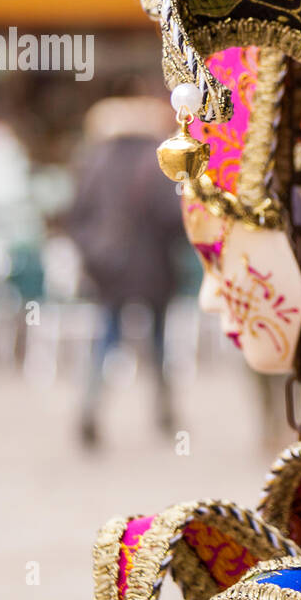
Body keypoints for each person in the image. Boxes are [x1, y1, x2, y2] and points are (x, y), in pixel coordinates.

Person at [65, 94, 183, 448]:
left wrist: (92, 252)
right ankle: (164, 409)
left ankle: (90, 406)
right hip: (153, 268)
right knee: (159, 341)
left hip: (109, 269)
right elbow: (173, 217)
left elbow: (75, 216)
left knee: (106, 339)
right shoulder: (159, 161)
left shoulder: (95, 162)